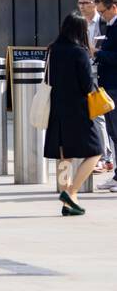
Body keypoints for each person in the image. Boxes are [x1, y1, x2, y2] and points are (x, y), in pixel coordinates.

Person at [46, 13, 104, 215]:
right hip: (78, 109)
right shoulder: (79, 52)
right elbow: (87, 85)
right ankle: (72, 191)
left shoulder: (53, 50)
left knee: (64, 156)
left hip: (57, 108)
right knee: (96, 150)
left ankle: (67, 204)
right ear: (80, 31)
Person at [94, 0, 117, 190]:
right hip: (108, 85)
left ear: (113, 7)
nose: (102, 16)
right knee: (112, 131)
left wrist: (98, 53)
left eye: (103, 12)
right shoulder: (110, 26)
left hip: (115, 85)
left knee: (116, 131)